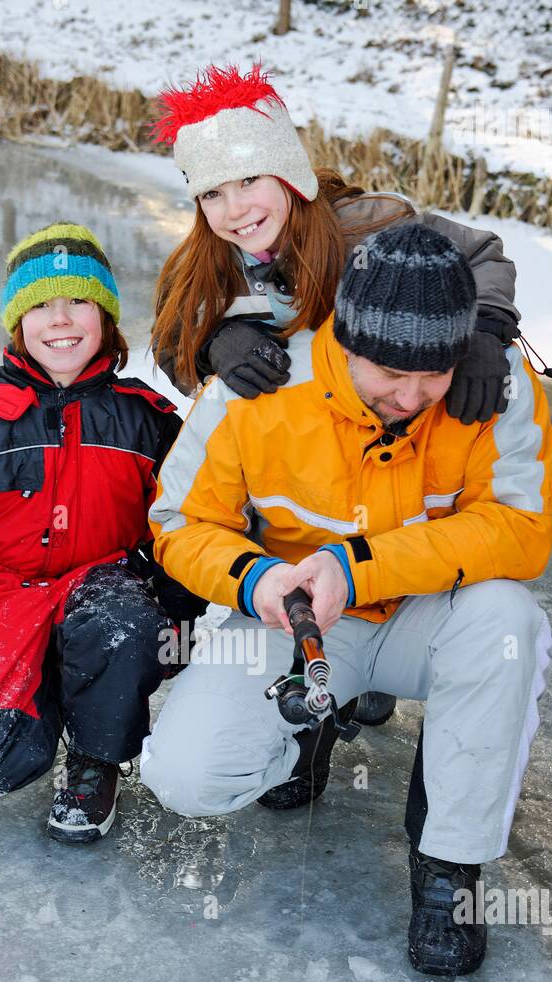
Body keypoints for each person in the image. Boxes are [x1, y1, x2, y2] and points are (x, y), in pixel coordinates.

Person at [140, 221, 552, 977]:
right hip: (293, 616)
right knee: (187, 777)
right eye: (386, 375)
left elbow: (520, 531)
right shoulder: (260, 385)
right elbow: (178, 523)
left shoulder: (494, 387)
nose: (408, 396)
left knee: (508, 622)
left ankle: (447, 868)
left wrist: (360, 566)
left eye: (429, 378)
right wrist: (254, 578)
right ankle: (308, 724)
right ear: (342, 341)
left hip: (425, 620)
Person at [149, 60, 523, 747]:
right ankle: (319, 678)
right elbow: (170, 343)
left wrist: (483, 335)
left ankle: (386, 655)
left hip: (392, 429)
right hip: (302, 452)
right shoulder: (206, 260)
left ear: (287, 171)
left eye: (248, 180)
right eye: (211, 194)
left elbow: (481, 257)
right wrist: (214, 345)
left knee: (398, 528)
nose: (233, 209)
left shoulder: (370, 227)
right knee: (307, 534)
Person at [0, 221, 204, 843]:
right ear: (17, 323)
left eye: (79, 301)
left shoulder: (147, 419)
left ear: (106, 317)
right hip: (7, 593)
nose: (61, 319)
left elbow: (184, 525)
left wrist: (179, 614)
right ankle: (43, 688)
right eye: (41, 305)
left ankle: (94, 760)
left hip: (106, 585)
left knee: (119, 626)